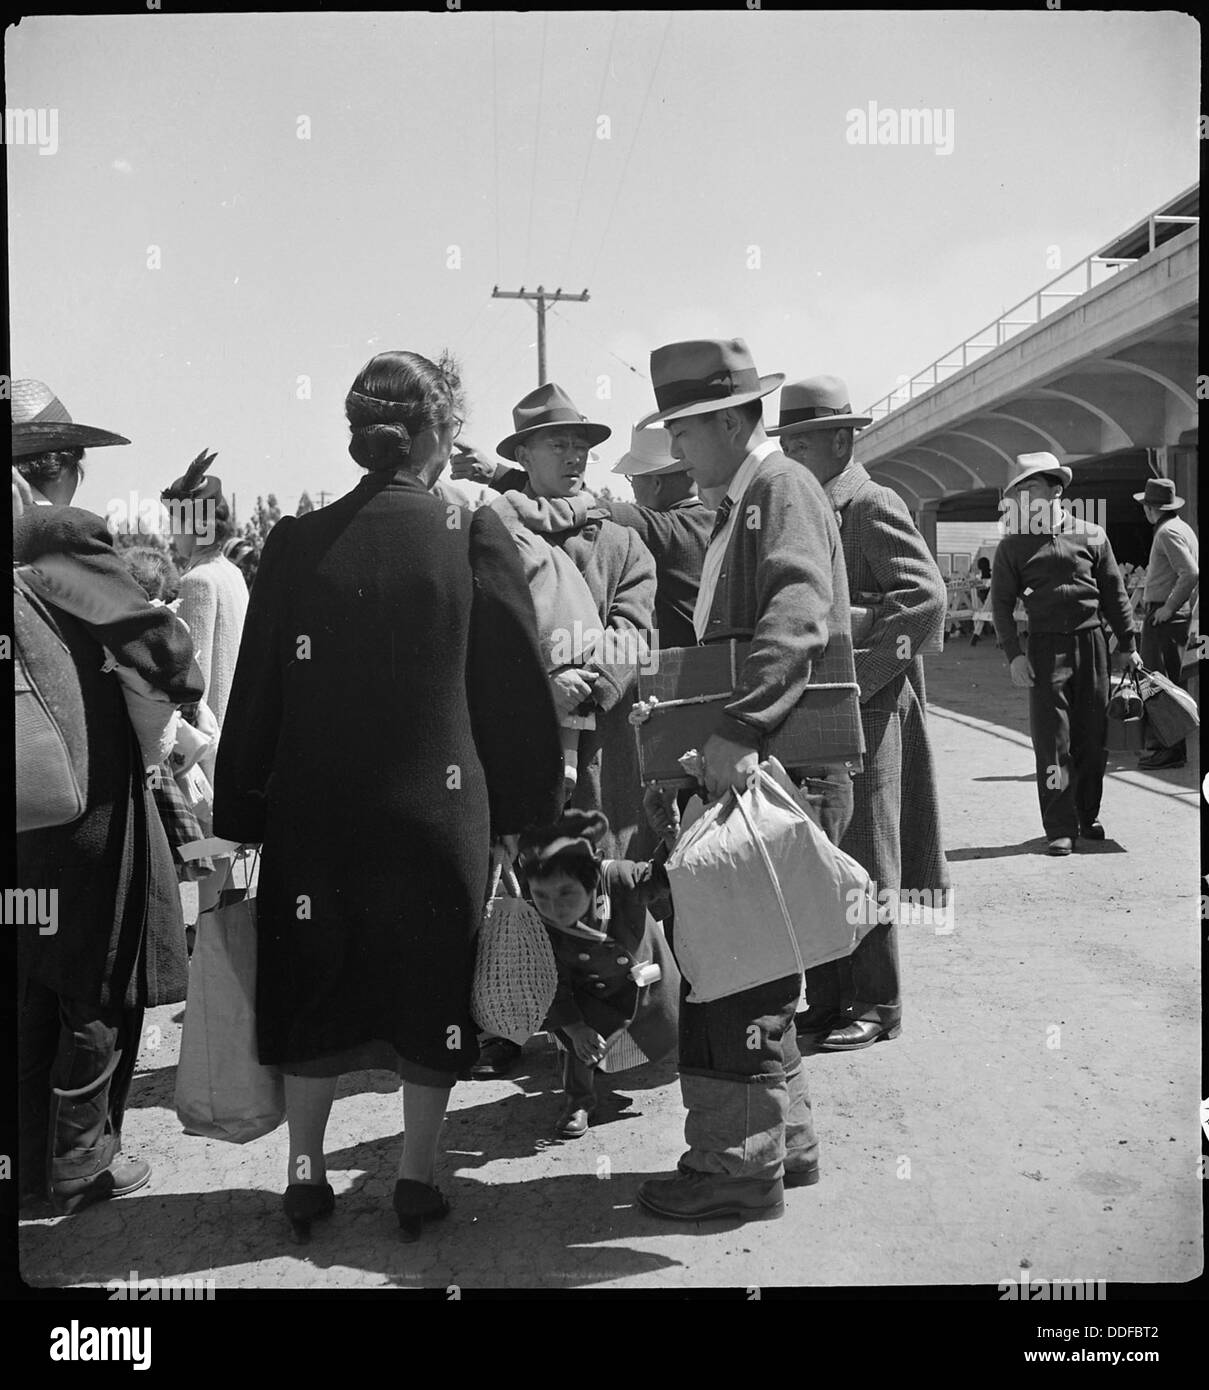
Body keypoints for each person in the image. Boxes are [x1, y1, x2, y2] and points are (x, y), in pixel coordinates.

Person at [213, 349, 563, 1243]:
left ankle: (304, 1179)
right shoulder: (472, 532)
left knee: (315, 986)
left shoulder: (292, 546)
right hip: (436, 816)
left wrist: (242, 817)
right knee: (426, 989)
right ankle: (413, 1179)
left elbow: (257, 693)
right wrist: (524, 813)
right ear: (441, 431)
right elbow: (514, 690)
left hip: (313, 816)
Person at [631, 339, 857, 1224]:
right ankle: (783, 1143)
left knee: (731, 970)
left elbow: (797, 610)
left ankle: (735, 1167)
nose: (677, 452)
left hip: (772, 759)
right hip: (776, 760)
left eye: (686, 433)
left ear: (732, 421)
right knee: (760, 970)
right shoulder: (748, 497)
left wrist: (738, 726)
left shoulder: (778, 490)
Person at [13, 379, 204, 1216]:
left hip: (19, 806)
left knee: (25, 972)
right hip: (79, 800)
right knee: (98, 969)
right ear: (60, 469)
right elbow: (159, 651)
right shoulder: (51, 535)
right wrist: (180, 675)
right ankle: (84, 1159)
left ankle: (23, 1158)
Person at [468, 383, 657, 1081]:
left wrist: (588, 683)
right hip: (517, 744)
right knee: (515, 886)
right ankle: (510, 1022)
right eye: (559, 443)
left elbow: (633, 631)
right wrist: (535, 691)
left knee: (599, 883)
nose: (575, 455)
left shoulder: (621, 541)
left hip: (602, 747)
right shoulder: (489, 530)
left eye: (583, 445)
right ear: (522, 454)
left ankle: (604, 1041)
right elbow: (477, 633)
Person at [774, 374, 948, 1051]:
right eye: (785, 441)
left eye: (802, 441)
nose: (790, 453)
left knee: (865, 852)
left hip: (868, 710)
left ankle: (876, 1002)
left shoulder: (868, 504)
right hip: (820, 709)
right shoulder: (806, 504)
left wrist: (860, 675)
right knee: (821, 848)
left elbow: (925, 601)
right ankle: (826, 997)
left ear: (842, 440)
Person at [991, 452, 1141, 854]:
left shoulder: (1092, 535)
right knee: (1053, 742)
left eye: (1032, 487)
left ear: (1056, 489)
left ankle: (1086, 815)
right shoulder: (1012, 546)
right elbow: (1000, 605)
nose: (1024, 497)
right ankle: (1059, 825)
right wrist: (1014, 655)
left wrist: (1127, 644)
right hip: (1042, 649)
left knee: (1093, 740)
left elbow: (1114, 593)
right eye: (1019, 491)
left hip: (1092, 645)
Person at [517, 810, 680, 1139]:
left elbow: (663, 877)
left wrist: (672, 836)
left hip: (642, 981)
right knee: (575, 1043)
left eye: (567, 892)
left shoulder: (619, 879)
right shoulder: (540, 922)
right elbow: (552, 983)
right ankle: (579, 1098)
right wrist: (574, 1027)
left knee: (671, 1027)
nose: (555, 908)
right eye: (541, 895)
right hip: (587, 991)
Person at [1133, 477, 1198, 770]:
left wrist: (1168, 608)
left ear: (1151, 508)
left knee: (1157, 683)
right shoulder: (1182, 528)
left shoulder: (1166, 532)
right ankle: (1169, 747)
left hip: (1163, 615)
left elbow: (1190, 573)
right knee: (1170, 682)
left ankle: (1167, 750)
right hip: (1175, 615)